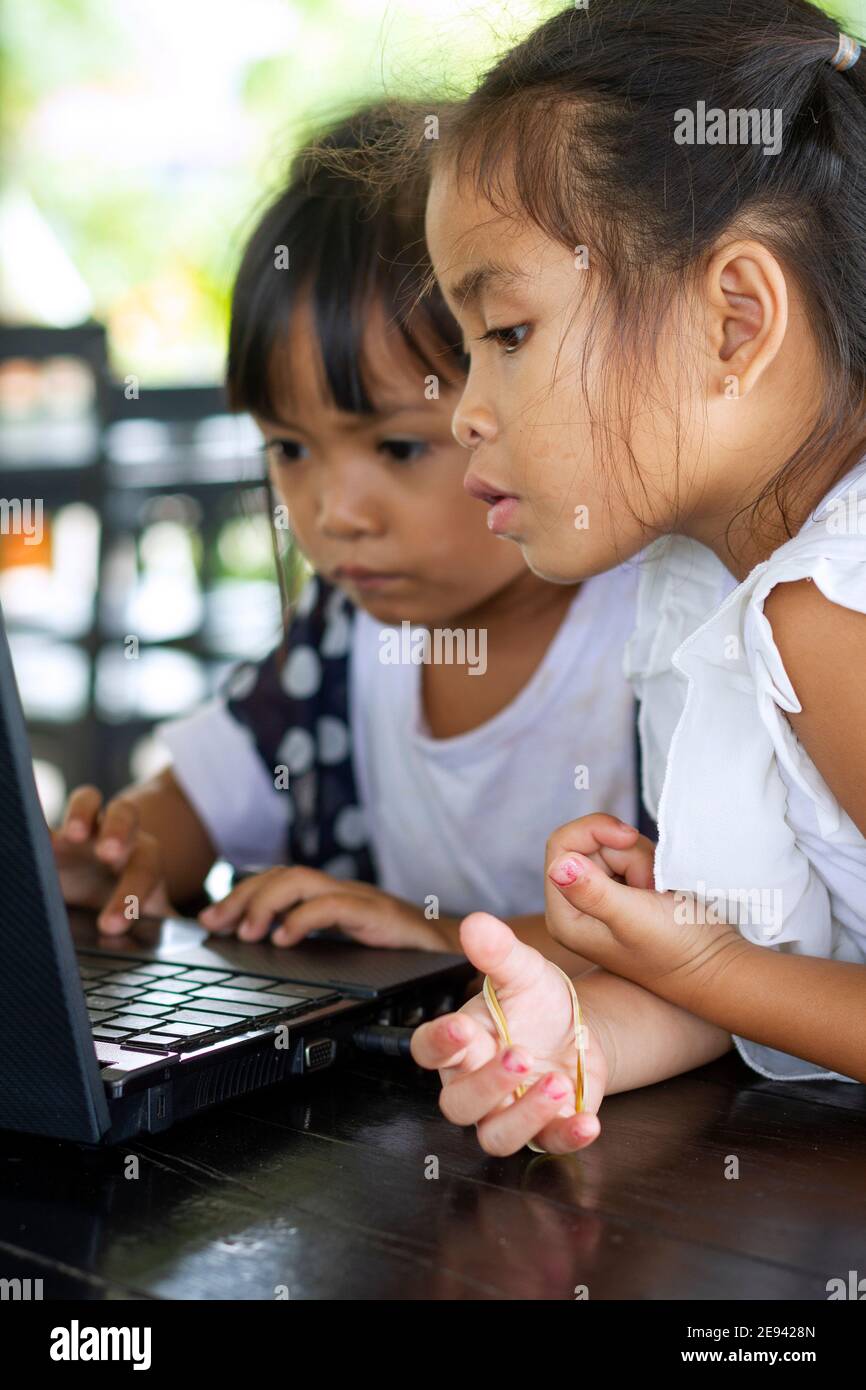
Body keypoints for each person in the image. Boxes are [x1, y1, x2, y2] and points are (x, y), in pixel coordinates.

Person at [411, 0, 866, 1155]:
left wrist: (712, 960)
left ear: (732, 323)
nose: (465, 409)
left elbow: (750, 981)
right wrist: (581, 1032)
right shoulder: (695, 582)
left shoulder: (832, 605)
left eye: (504, 331)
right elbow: (799, 986)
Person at [52, 104, 640, 975]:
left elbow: (708, 946)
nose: (334, 514)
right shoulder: (344, 632)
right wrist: (121, 858)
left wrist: (442, 940)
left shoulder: (661, 635)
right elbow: (194, 800)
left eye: (399, 447)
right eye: (289, 448)